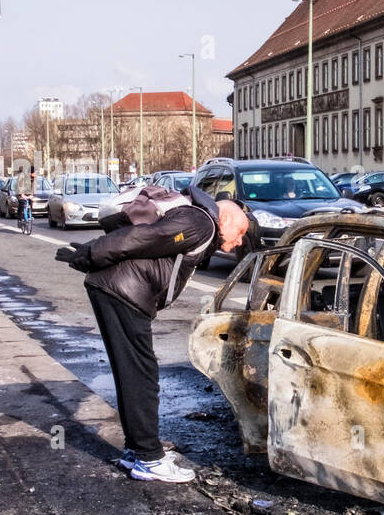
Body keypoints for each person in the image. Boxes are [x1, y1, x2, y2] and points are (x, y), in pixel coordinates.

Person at [55, 187, 249, 483]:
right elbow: (144, 238)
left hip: (116, 290)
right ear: (226, 218)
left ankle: (137, 451)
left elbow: (147, 241)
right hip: (124, 293)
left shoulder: (198, 221)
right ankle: (149, 458)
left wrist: (91, 253)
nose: (239, 241)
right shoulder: (202, 223)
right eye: (240, 230)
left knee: (132, 372)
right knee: (141, 375)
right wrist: (91, 253)